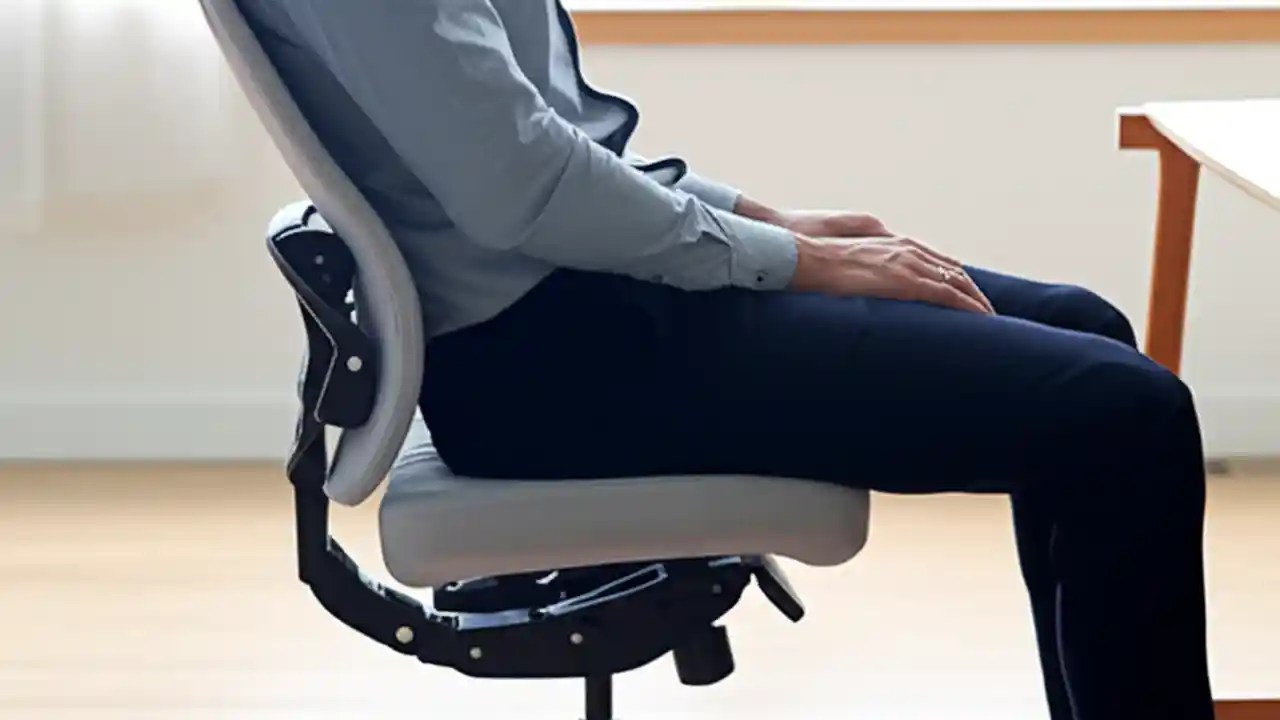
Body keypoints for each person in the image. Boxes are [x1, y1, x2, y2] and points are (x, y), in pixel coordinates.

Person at [238, 1, 1213, 717]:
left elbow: (551, 137)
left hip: (586, 304)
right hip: (551, 358)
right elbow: (522, 188)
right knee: (1130, 421)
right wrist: (796, 261)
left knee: (1087, 331)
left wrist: (769, 223)